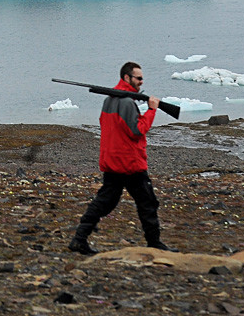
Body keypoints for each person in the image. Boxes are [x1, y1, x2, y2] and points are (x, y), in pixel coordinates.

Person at [68, 61, 171, 255]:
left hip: (112, 161)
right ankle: (154, 243)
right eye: (138, 78)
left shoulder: (110, 100)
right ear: (126, 77)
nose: (141, 81)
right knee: (147, 202)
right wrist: (151, 110)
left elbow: (107, 125)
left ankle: (79, 239)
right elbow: (137, 131)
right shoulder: (126, 102)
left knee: (104, 202)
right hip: (129, 163)